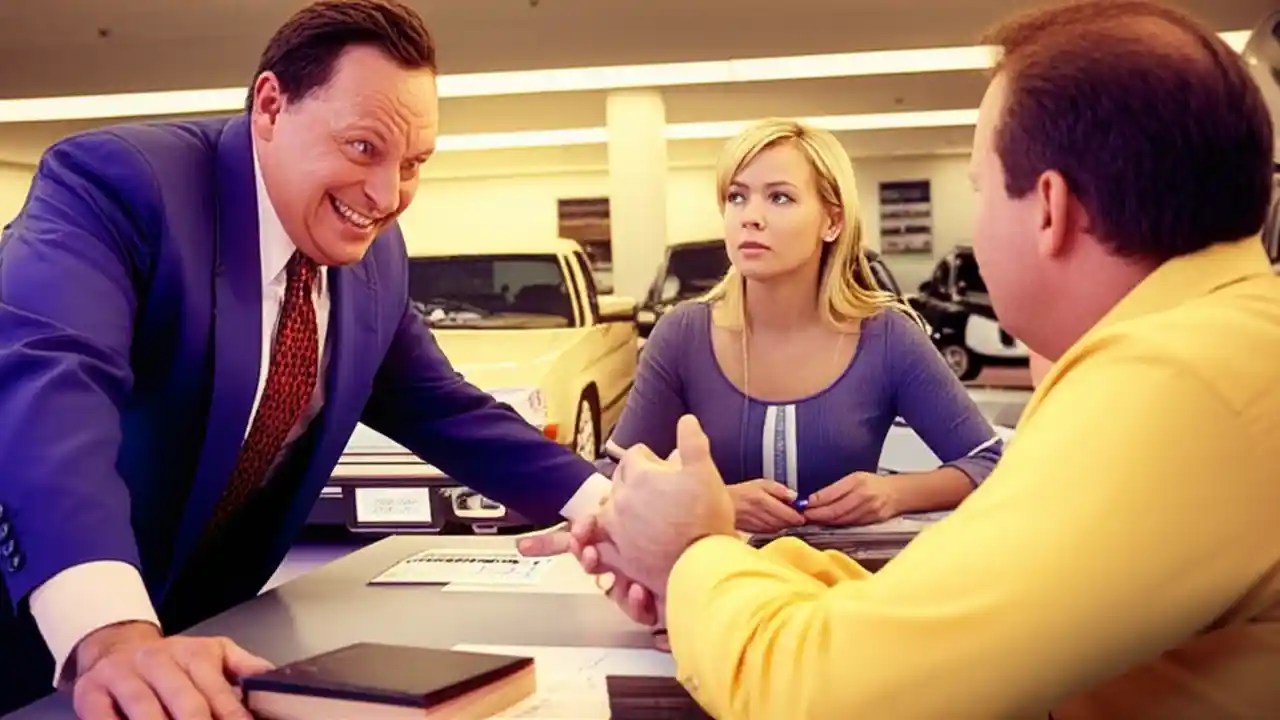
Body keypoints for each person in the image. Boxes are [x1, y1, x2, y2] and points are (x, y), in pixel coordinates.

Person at [569, 0, 1280, 717]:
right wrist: (721, 559)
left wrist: (692, 559)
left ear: (1048, 209)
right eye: (738, 197)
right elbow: (966, 590)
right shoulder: (1224, 348)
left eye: (977, 187)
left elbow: (819, 698)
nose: (750, 216)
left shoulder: (1176, 387)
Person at [0, 1, 610, 716]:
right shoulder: (121, 186)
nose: (387, 198)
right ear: (270, 106)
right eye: (362, 148)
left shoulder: (372, 257)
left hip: (201, 649)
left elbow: (442, 405)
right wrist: (111, 634)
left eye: (413, 164)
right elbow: (45, 384)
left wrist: (612, 511)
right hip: (42, 628)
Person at [603, 119, 1003, 534]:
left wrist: (894, 493)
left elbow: (988, 462)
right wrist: (709, 501)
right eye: (737, 197)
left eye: (779, 197)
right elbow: (616, 474)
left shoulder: (886, 337)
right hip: (717, 585)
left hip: (851, 585)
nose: (750, 217)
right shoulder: (681, 335)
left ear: (832, 222)